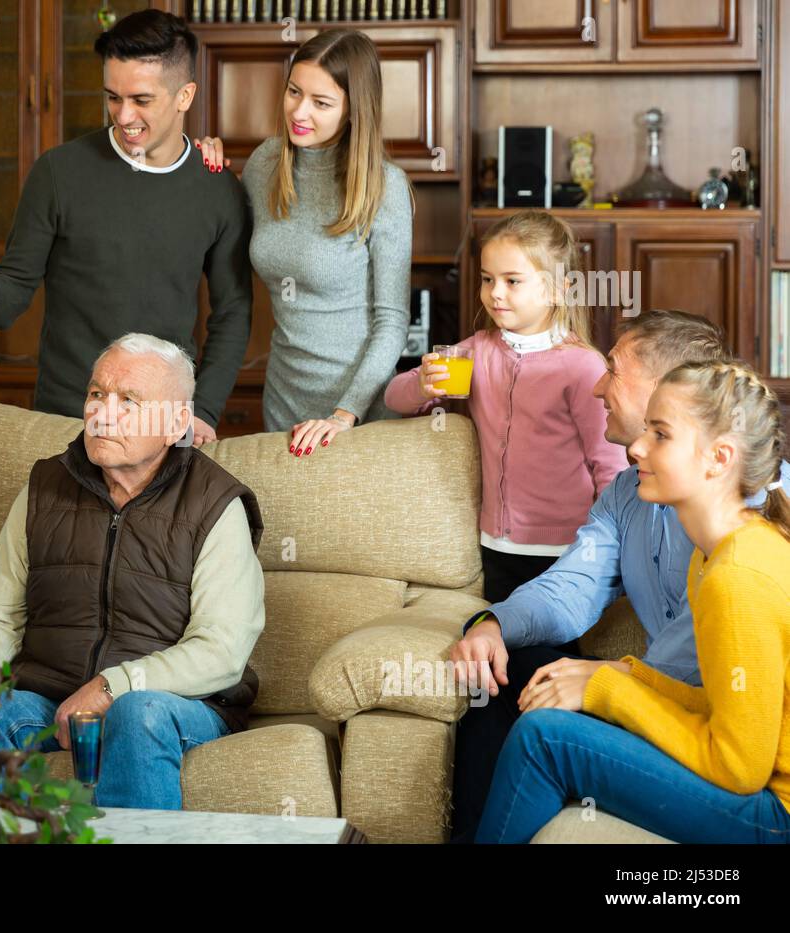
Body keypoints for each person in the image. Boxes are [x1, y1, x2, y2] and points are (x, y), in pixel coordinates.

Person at [448, 309, 790, 843]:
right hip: (709, 728)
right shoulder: (644, 501)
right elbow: (572, 587)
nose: (597, 387)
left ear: (670, 388)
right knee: (511, 680)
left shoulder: (744, 541)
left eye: (613, 369)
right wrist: (492, 621)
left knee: (544, 736)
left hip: (758, 790)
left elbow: (733, 744)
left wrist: (611, 684)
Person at [0, 333, 266, 809]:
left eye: (129, 400)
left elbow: (222, 651)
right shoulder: (44, 488)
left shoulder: (215, 504)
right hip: (50, 698)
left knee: (137, 712)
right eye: (96, 394)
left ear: (176, 424)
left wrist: (115, 686)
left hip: (177, 706)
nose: (102, 413)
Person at [0, 9, 252, 447]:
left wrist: (204, 410)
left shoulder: (218, 189)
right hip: (67, 418)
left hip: (163, 424)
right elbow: (12, 283)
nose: (123, 116)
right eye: (112, 97)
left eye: (141, 100)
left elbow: (233, 313)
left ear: (185, 96)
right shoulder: (58, 172)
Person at [386, 209, 626, 602]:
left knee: (543, 651)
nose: (495, 292)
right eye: (487, 279)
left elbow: (609, 466)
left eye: (512, 281)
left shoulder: (581, 365)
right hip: (497, 545)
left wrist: (604, 546)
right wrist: (424, 384)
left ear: (557, 289)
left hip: (566, 548)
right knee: (505, 646)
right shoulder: (476, 350)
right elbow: (394, 397)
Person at [196, 29, 412, 451]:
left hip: (359, 410)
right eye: (294, 91)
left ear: (354, 110)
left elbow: (392, 321)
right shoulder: (265, 164)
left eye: (322, 102)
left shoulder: (385, 187)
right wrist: (203, 168)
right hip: (282, 396)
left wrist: (344, 414)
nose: (299, 111)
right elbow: (217, 231)